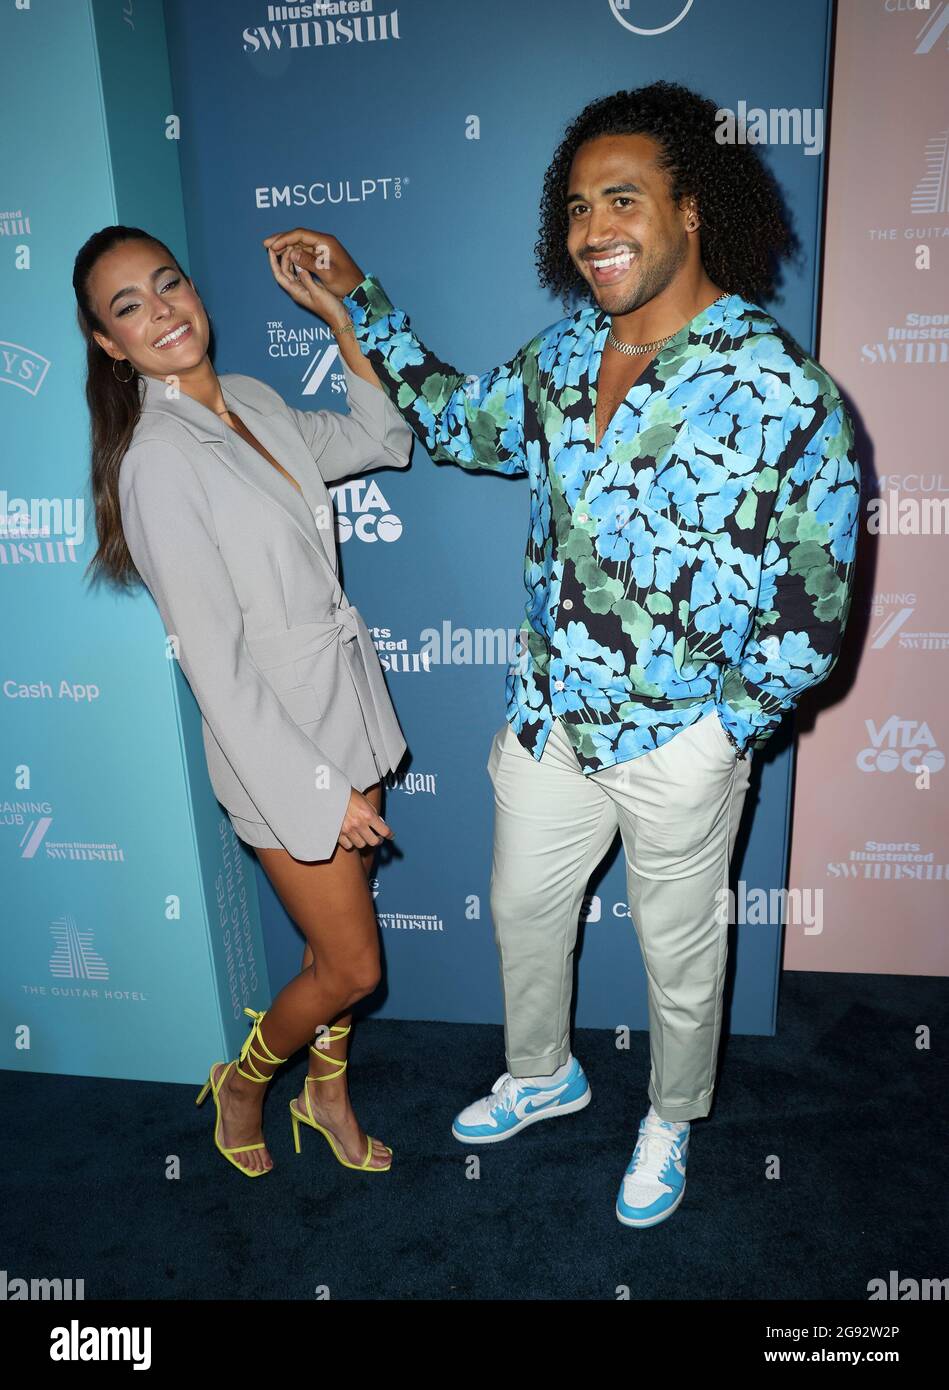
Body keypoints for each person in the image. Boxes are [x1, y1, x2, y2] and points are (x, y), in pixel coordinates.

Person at [264, 78, 861, 1226]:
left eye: (623, 199)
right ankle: (544, 1073)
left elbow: (809, 618)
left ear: (692, 209)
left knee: (680, 963)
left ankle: (670, 1116)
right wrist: (356, 301)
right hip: (547, 726)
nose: (594, 229)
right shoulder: (561, 358)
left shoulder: (786, 392)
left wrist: (714, 738)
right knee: (522, 916)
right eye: (579, 206)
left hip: (679, 745)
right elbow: (449, 416)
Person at [76, 224, 415, 1177]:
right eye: (128, 308)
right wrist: (320, 791)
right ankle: (248, 1079)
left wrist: (337, 319)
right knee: (352, 968)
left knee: (332, 947)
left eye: (167, 284)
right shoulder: (155, 460)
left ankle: (328, 1090)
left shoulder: (257, 401)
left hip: (345, 709)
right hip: (279, 755)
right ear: (111, 345)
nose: (161, 311)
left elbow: (383, 438)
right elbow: (215, 667)